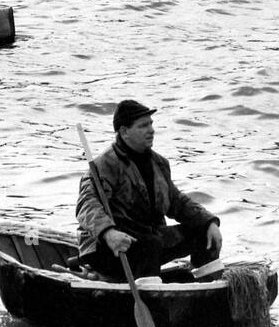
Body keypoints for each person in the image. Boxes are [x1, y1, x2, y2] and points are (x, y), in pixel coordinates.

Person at [76, 100, 222, 280]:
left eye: (151, 124)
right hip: (108, 247)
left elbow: (177, 202)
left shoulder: (159, 163)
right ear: (124, 132)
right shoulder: (103, 166)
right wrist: (108, 232)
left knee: (203, 234)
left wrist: (209, 222)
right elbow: (87, 206)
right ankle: (151, 296)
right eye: (143, 126)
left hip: (149, 242)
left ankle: (205, 287)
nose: (151, 130)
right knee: (149, 244)